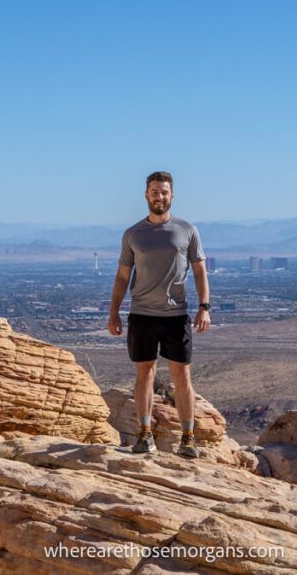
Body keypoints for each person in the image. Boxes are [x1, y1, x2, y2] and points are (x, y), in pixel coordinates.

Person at [108, 171, 210, 458]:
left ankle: (188, 438)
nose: (159, 196)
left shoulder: (187, 230)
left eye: (164, 192)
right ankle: (144, 434)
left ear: (172, 196)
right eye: (154, 191)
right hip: (142, 314)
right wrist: (113, 312)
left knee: (182, 376)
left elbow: (200, 270)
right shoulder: (133, 234)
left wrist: (205, 307)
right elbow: (122, 276)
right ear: (146, 195)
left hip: (176, 315)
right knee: (144, 374)